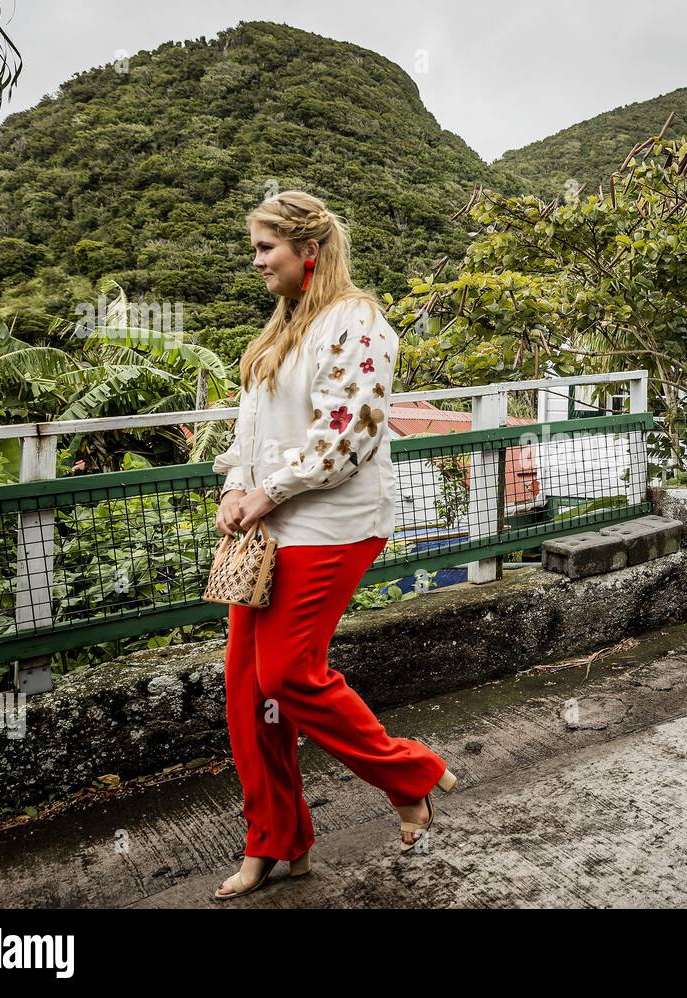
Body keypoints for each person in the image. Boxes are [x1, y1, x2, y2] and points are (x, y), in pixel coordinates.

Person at [209, 191, 457, 901]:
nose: (256, 262)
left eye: (266, 249)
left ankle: (408, 773)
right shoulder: (283, 326)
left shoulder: (358, 323)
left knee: (287, 674)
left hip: (333, 521)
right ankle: (275, 842)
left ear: (307, 250)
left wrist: (269, 490)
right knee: (247, 694)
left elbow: (347, 435)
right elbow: (250, 430)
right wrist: (236, 486)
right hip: (268, 526)